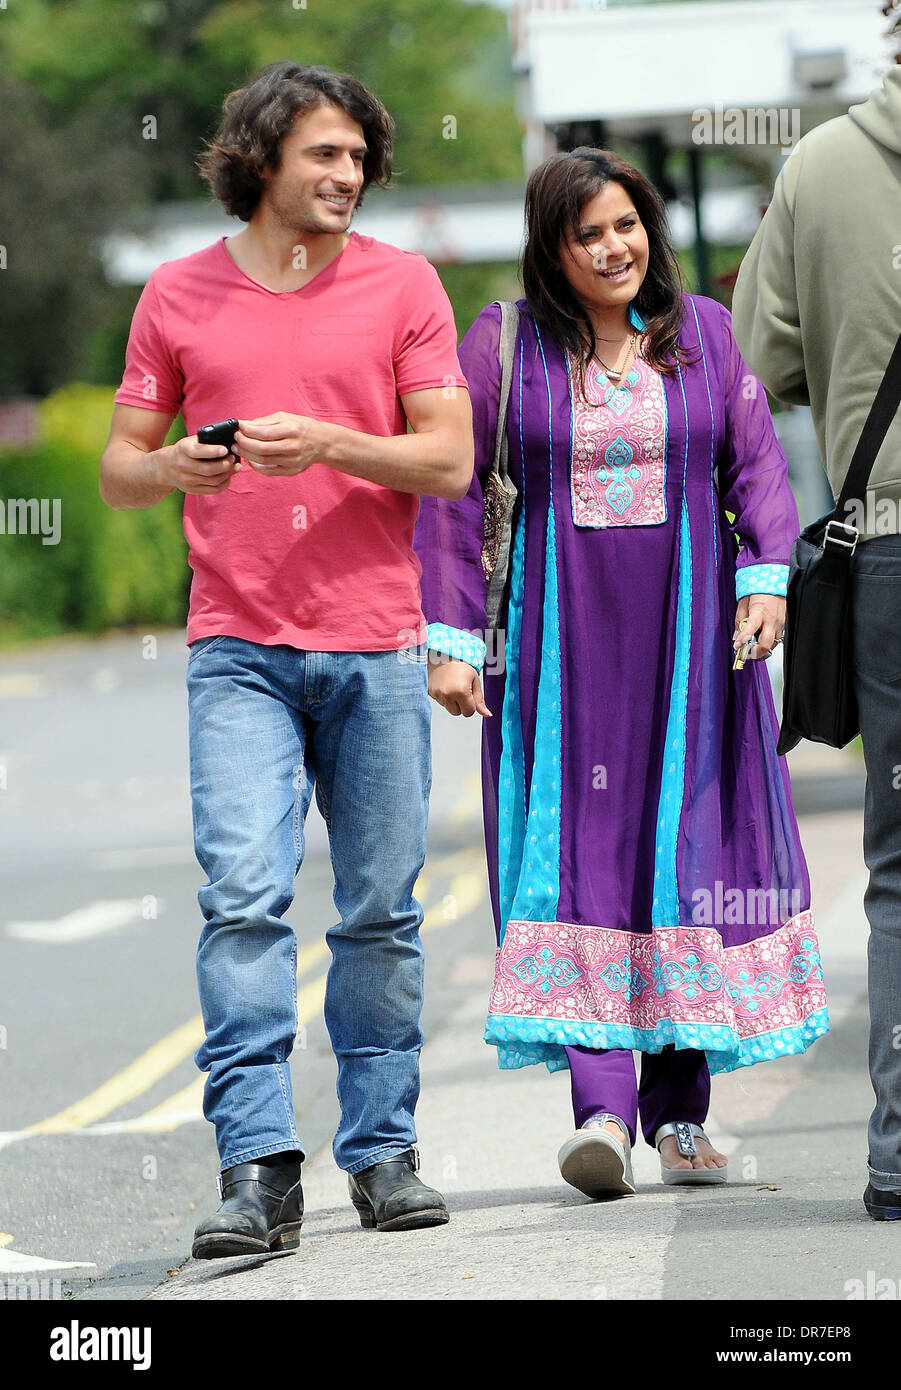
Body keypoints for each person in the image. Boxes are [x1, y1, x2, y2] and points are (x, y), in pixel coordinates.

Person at [100, 61, 473, 1254]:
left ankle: (382, 1154)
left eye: (359, 157)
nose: (347, 175)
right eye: (324, 153)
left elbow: (450, 459)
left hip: (373, 642)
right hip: (238, 651)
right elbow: (119, 465)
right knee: (244, 903)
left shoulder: (404, 285)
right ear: (263, 158)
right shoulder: (177, 295)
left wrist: (329, 443)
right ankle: (258, 1167)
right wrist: (171, 470)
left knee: (378, 913)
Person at [415, 147, 829, 1199]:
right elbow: (454, 497)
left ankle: (681, 1120)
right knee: (581, 853)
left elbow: (757, 468)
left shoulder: (704, 338)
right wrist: (454, 639)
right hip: (562, 660)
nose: (613, 247)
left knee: (687, 855)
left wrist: (765, 578)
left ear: (650, 227)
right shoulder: (504, 348)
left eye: (625, 225)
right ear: (552, 252)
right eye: (586, 232)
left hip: (692, 655)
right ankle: (599, 1110)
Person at [732, 45, 901, 1222]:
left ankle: (896, 1156)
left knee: (898, 875)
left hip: (888, 556)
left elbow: (760, 360)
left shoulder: (820, 165)